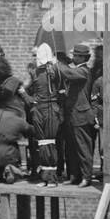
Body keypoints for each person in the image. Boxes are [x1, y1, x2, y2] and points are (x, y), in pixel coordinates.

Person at [55, 43, 97, 186]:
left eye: (76, 56)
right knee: (71, 148)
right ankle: (74, 175)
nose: (74, 58)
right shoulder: (76, 69)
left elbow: (69, 73)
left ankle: (86, 176)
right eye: (74, 55)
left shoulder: (84, 71)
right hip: (71, 115)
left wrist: (56, 63)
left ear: (83, 57)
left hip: (81, 115)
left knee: (83, 147)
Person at [26, 44, 64, 185]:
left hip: (48, 109)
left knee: (49, 143)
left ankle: (52, 178)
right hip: (43, 109)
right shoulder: (39, 72)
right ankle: (46, 177)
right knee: (43, 144)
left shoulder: (55, 72)